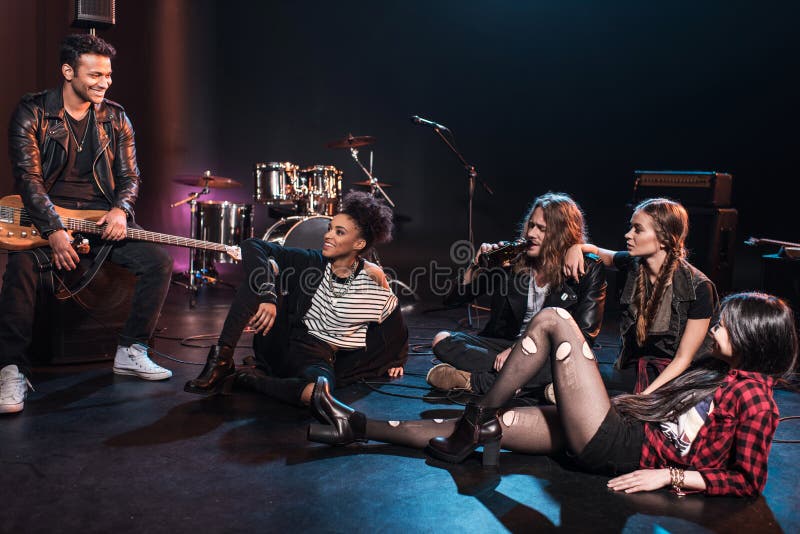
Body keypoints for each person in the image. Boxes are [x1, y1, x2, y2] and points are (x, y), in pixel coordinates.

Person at [307, 292, 797, 497]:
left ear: (755, 337)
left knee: (555, 320)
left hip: (618, 443)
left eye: (726, 325)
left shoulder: (758, 401)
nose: (716, 328)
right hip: (618, 425)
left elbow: (748, 480)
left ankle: (477, 415)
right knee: (491, 429)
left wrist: (668, 476)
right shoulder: (718, 371)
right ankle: (357, 426)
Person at [0, 34, 174, 414]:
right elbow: (28, 179)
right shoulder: (32, 112)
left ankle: (131, 349)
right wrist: (54, 230)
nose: (104, 82)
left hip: (99, 221)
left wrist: (121, 210)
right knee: (20, 268)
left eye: (107, 75)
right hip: (48, 219)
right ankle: (11, 368)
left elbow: (130, 177)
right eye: (95, 75)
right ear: (68, 72)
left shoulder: (116, 117)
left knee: (158, 262)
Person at [184, 190, 408, 406]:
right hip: (281, 342)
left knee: (318, 393)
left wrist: (397, 359)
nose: (328, 235)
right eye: (329, 229)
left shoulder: (371, 275)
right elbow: (252, 245)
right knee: (259, 274)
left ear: (359, 244)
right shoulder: (310, 260)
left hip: (316, 359)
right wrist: (268, 296)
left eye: (339, 232)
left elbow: (392, 320)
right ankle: (221, 359)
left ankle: (247, 381)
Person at [427, 192, 606, 404]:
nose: (531, 233)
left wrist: (517, 352)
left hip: (550, 353)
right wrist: (476, 266)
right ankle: (538, 388)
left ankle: (476, 382)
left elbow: (584, 337)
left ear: (562, 234)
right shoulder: (511, 258)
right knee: (442, 340)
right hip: (504, 346)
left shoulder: (587, 267)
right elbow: (454, 299)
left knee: (578, 363)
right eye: (531, 225)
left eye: (542, 229)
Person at [563, 197, 717, 394]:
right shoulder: (632, 265)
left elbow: (683, 359)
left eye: (638, 229)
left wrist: (645, 396)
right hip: (636, 369)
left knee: (589, 389)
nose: (628, 235)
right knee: (577, 381)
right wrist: (576, 248)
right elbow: (600, 253)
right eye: (631, 227)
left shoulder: (699, 288)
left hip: (678, 379)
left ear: (664, 238)